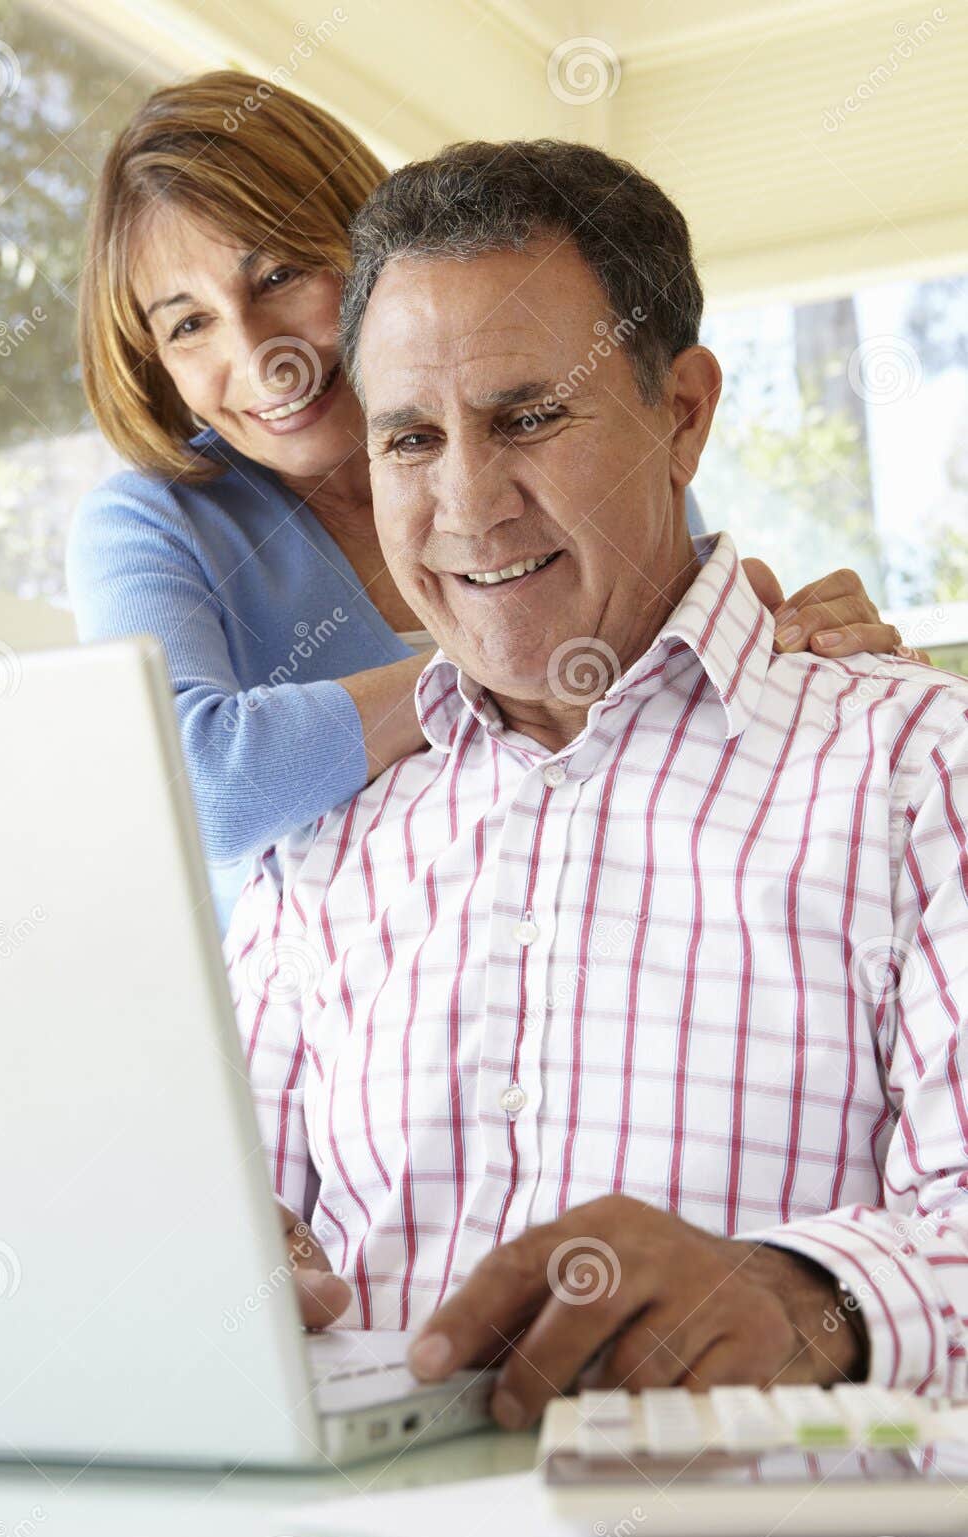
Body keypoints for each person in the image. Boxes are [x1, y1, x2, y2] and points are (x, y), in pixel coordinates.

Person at [226, 139, 968, 1420]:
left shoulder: (917, 770)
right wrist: (228, 1251)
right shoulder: (322, 843)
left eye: (527, 418)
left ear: (680, 413)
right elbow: (222, 1202)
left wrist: (801, 1298)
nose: (467, 503)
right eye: (410, 438)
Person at [66, 73, 907, 926]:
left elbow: (688, 680)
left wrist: (807, 649)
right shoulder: (153, 524)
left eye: (278, 275)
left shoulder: (582, 445)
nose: (260, 357)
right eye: (187, 324)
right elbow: (192, 791)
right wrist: (506, 665)